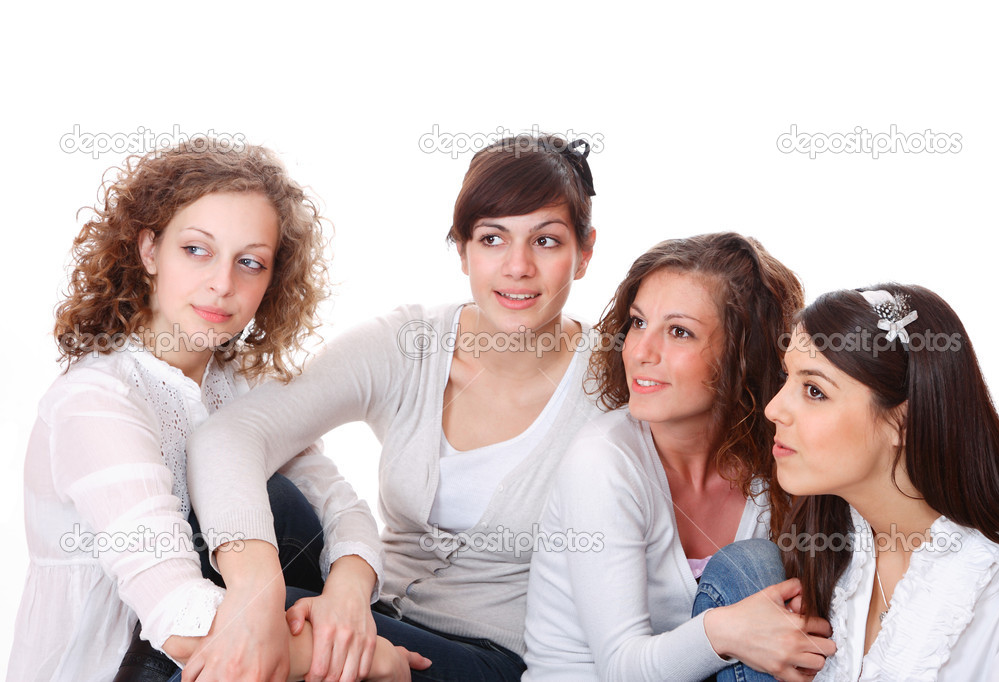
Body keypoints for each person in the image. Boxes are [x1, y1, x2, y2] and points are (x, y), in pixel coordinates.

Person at [185, 134, 603, 681]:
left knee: (268, 625)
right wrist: (295, 590)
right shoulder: (411, 343)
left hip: (493, 658)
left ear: (585, 253)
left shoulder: (616, 382)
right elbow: (230, 436)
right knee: (258, 529)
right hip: (383, 609)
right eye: (493, 238)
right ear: (463, 250)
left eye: (546, 242)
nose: (518, 266)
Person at [10, 140, 415, 682]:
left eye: (250, 262)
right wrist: (376, 659)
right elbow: (179, 618)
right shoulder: (97, 400)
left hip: (247, 646)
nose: (223, 284)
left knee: (285, 513)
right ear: (150, 250)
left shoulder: (242, 384)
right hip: (137, 666)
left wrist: (345, 594)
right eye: (197, 250)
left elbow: (343, 512)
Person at [524, 233, 838, 681]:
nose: (640, 351)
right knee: (752, 567)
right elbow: (621, 668)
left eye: (678, 332)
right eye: (636, 323)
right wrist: (727, 631)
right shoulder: (603, 460)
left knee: (760, 570)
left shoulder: (781, 459)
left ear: (741, 353)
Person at [766, 284, 999, 680]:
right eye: (787, 379)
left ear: (902, 422)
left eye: (814, 391)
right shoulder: (823, 550)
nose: (774, 409)